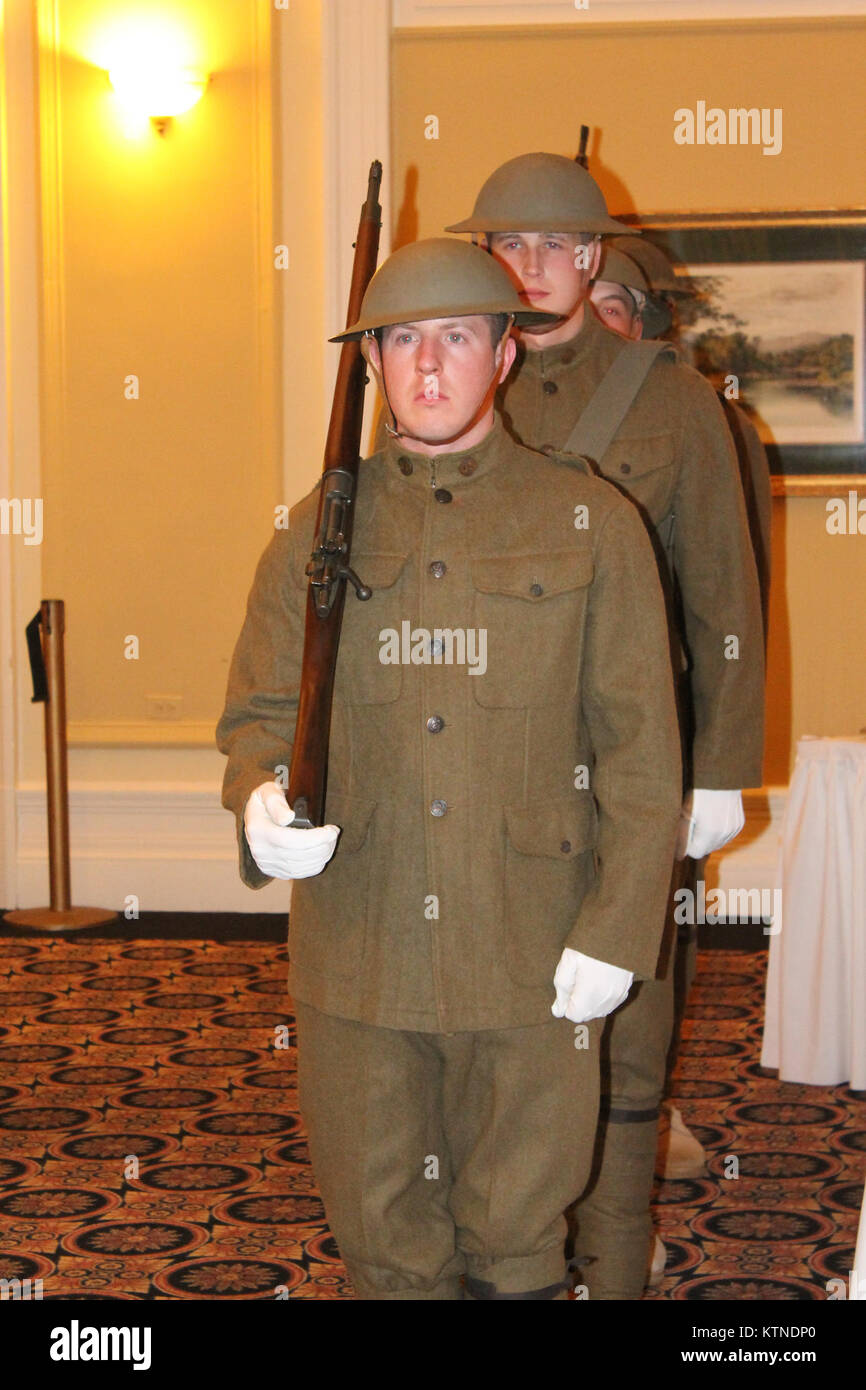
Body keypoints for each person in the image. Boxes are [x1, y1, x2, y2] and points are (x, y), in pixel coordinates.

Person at [216, 236, 683, 1300]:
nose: (428, 366)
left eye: (458, 338)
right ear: (371, 362)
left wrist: (615, 930)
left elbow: (640, 757)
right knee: (383, 1240)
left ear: (503, 357)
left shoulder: (590, 525)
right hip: (360, 955)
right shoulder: (307, 539)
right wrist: (256, 796)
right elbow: (256, 714)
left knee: (518, 1235)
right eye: (402, 341)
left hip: (530, 948)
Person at [446, 153, 765, 1299]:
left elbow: (724, 595)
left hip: (631, 766)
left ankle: (615, 1272)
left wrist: (719, 770)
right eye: (505, 247)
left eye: (550, 247)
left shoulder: (672, 402)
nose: (527, 268)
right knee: (499, 1023)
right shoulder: (452, 380)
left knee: (626, 1042)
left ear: (589, 259)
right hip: (489, 769)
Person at [589, 240, 772, 1212]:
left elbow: (733, 602)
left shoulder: (697, 422)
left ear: (647, 319)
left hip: (656, 735)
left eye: (614, 303)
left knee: (652, 944)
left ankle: (637, 1124)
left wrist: (714, 761)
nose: (593, 320)